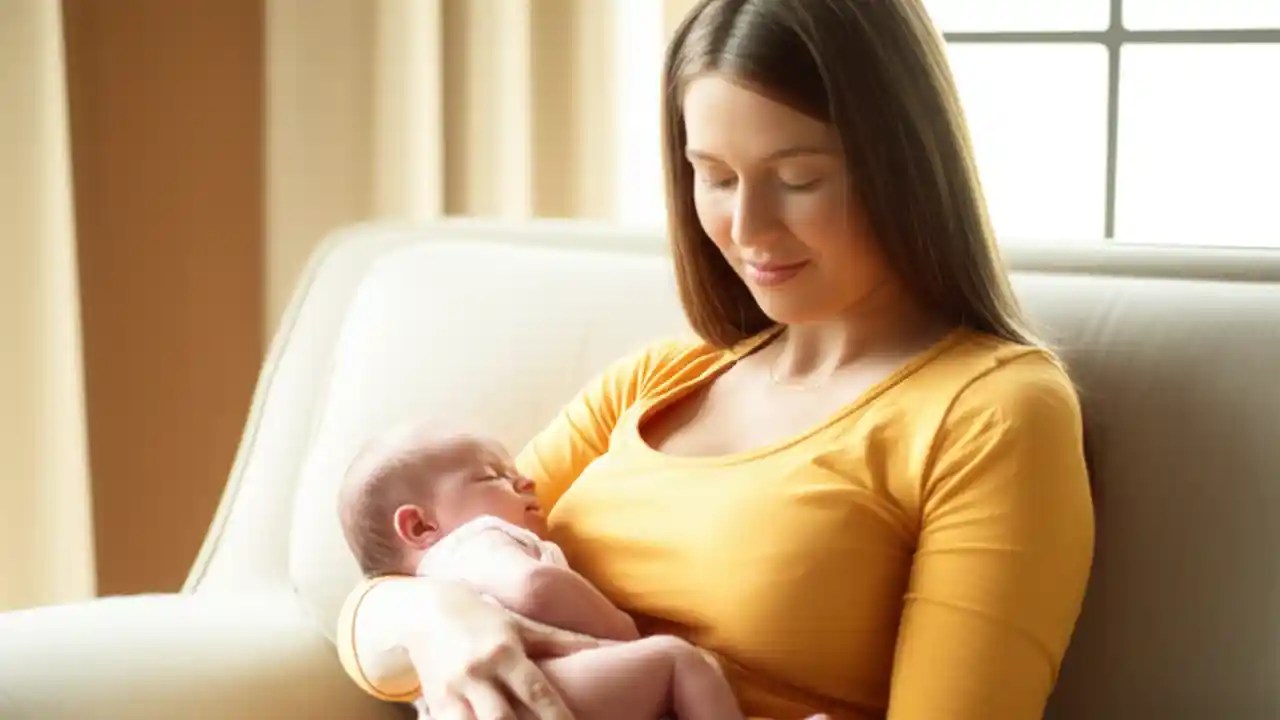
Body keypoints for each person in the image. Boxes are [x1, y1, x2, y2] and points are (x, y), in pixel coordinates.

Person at [335, 0, 1096, 718]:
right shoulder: (659, 381)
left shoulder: (990, 412)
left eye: (799, 179)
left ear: (902, 166)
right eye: (717, 177)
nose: (747, 227)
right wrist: (438, 615)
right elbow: (397, 584)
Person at [337, 423, 749, 720]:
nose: (529, 481)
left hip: (482, 702)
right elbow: (533, 586)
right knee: (679, 660)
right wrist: (620, 628)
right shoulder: (476, 540)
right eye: (494, 477)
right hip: (533, 687)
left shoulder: (440, 573)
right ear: (421, 527)